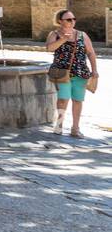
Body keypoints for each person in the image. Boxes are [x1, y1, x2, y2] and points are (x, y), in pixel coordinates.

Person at [47, 9, 99, 137]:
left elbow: (91, 52)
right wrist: (63, 39)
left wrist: (94, 70)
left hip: (81, 72)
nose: (72, 21)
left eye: (74, 19)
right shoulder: (54, 34)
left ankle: (75, 128)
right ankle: (59, 125)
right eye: (69, 19)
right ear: (60, 21)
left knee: (78, 100)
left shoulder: (82, 35)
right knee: (63, 99)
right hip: (62, 72)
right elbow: (49, 48)